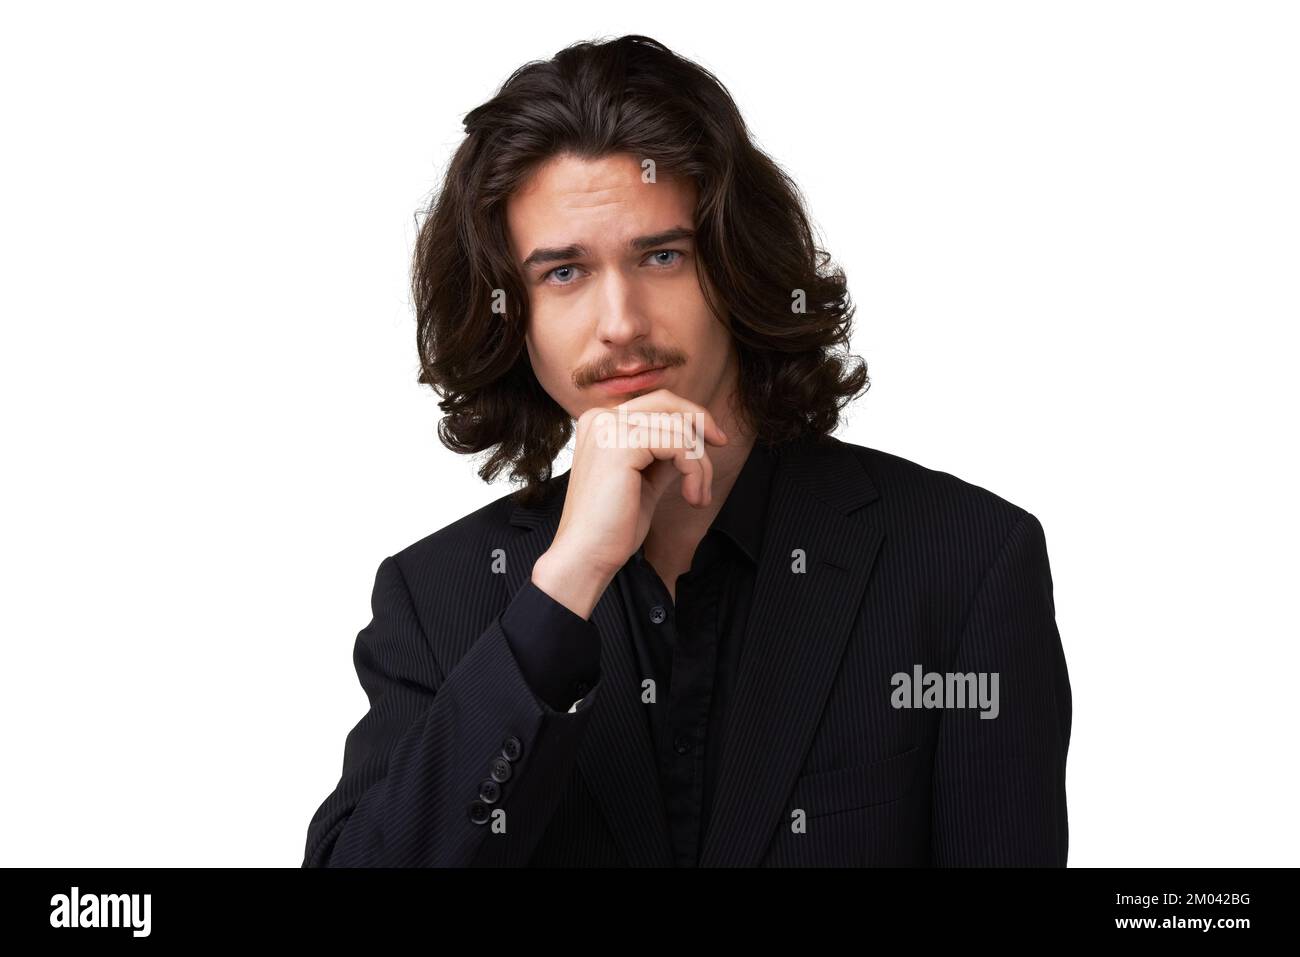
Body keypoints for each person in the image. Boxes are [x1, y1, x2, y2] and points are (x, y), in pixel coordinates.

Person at [301, 34, 1071, 867]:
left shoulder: (964, 563)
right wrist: (561, 592)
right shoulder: (436, 598)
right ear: (509, 315)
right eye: (563, 273)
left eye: (662, 256)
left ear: (736, 264)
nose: (622, 322)